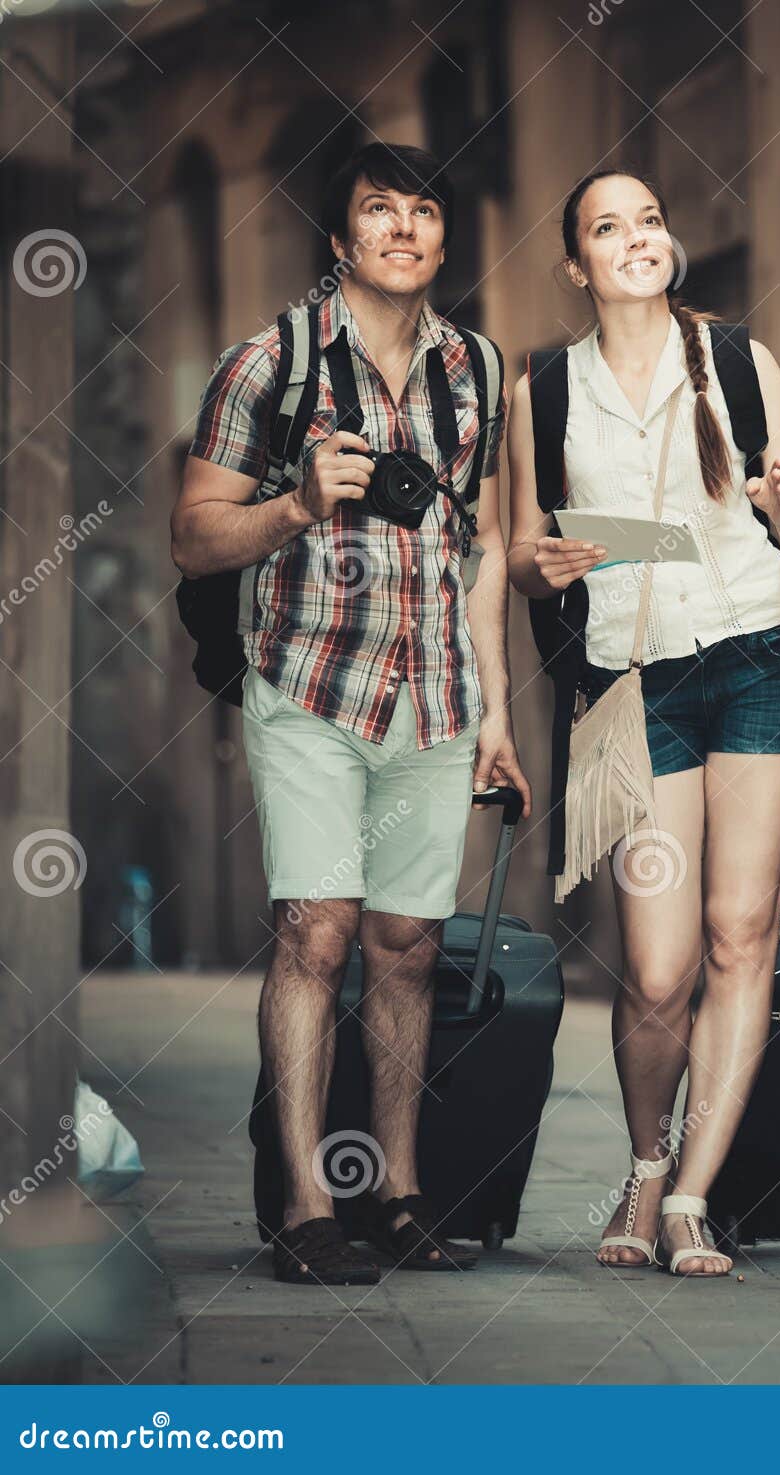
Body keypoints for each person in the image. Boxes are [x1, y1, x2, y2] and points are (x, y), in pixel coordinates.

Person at [172, 142, 530, 1285]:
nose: (405, 228)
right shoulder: (264, 363)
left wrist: (494, 711)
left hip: (432, 693)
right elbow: (192, 533)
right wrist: (290, 504)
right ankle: (307, 1203)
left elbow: (480, 552)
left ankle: (404, 1191)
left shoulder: (474, 365)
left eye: (423, 211)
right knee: (315, 932)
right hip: (309, 684)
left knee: (408, 946)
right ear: (340, 239)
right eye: (380, 210)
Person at [506, 169, 780, 1277]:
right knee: (656, 965)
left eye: (649, 219)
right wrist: (540, 560)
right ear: (577, 264)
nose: (637, 237)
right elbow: (518, 547)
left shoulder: (738, 360)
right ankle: (643, 1163)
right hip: (629, 682)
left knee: (743, 936)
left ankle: (692, 1190)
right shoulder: (541, 391)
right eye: (608, 225)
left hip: (761, 659)